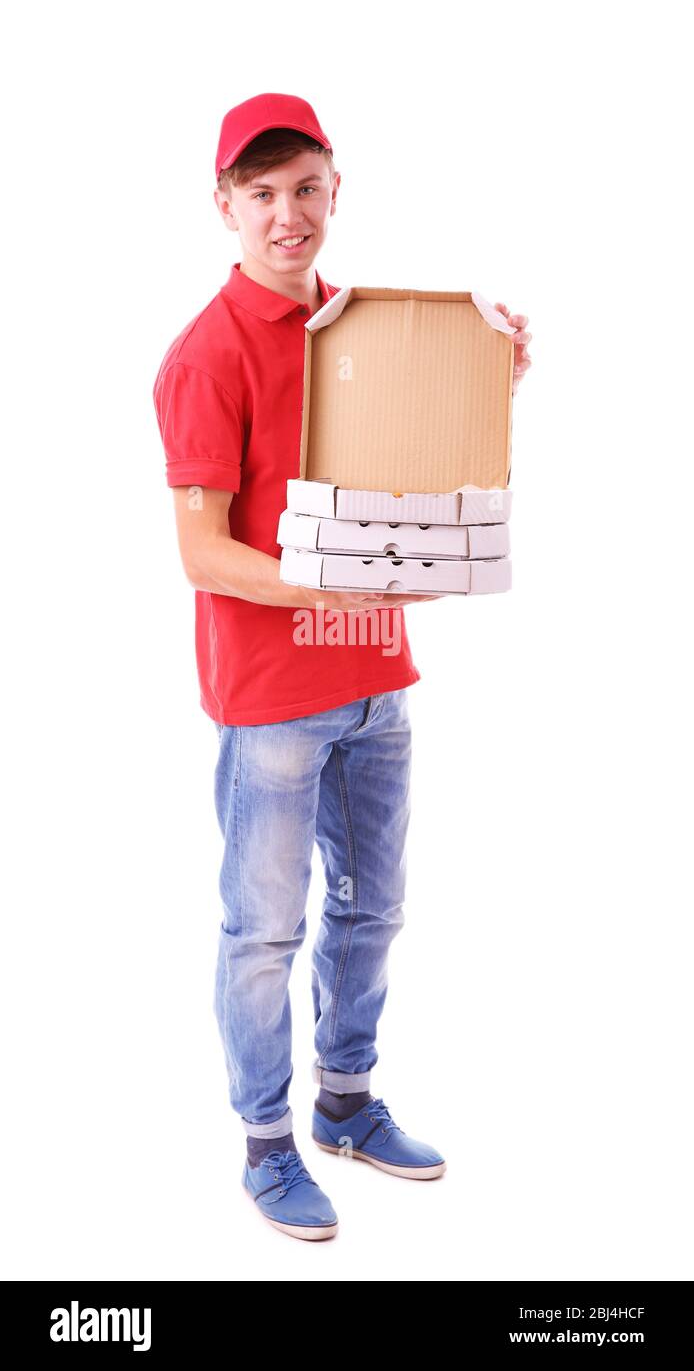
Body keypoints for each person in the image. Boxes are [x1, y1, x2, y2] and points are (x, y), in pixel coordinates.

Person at [152, 92, 532, 1241]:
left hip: (377, 683)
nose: (287, 215)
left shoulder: (361, 327)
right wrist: (330, 588)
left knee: (373, 912)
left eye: (305, 188)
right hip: (271, 701)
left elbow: (407, 466)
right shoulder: (205, 355)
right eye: (260, 195)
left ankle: (348, 1105)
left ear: (334, 190)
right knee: (264, 932)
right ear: (224, 206)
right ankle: (267, 1144)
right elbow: (199, 548)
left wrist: (487, 379)